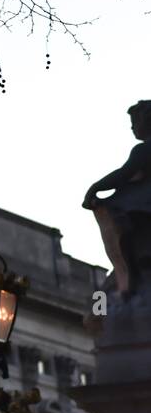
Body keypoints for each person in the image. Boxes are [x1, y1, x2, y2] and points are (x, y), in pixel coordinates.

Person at [84, 101, 151, 297]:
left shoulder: (143, 149)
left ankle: (129, 277)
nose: (132, 127)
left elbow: (123, 174)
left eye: (134, 122)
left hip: (144, 206)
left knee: (123, 232)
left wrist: (95, 188)